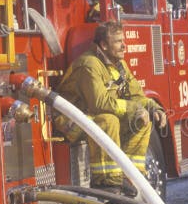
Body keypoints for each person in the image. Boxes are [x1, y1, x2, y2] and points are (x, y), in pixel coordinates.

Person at [55, 21, 166, 193]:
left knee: (142, 121)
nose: (124, 46)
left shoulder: (118, 65)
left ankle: (130, 176)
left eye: (123, 40)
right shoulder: (89, 65)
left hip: (91, 117)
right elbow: (99, 104)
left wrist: (154, 108)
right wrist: (134, 109)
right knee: (109, 121)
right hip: (71, 119)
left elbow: (135, 95)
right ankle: (106, 181)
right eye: (118, 42)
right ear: (104, 45)